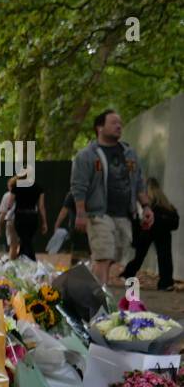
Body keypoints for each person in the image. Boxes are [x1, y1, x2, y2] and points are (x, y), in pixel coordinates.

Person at [70, 109, 154, 285]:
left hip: (124, 214)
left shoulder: (129, 154)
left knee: (114, 256)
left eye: (120, 123)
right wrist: (81, 213)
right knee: (104, 256)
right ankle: (101, 299)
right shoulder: (87, 155)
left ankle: (90, 286)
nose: (119, 126)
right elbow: (79, 186)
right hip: (98, 213)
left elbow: (138, 183)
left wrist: (146, 207)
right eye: (114, 123)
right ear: (100, 128)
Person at [122, 177, 178, 291]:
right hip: (163, 229)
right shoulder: (166, 204)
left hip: (148, 228)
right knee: (165, 256)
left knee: (139, 255)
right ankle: (166, 283)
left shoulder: (147, 203)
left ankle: (128, 275)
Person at [9, 168, 48, 260]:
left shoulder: (16, 186)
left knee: (24, 239)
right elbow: (41, 206)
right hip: (32, 217)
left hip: (20, 216)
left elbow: (10, 203)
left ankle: (28, 259)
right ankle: (27, 259)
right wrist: (44, 222)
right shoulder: (38, 188)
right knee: (27, 240)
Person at [0, 177, 19, 259]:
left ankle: (13, 266)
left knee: (13, 246)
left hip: (11, 221)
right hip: (25, 221)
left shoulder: (7, 196)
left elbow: (3, 212)